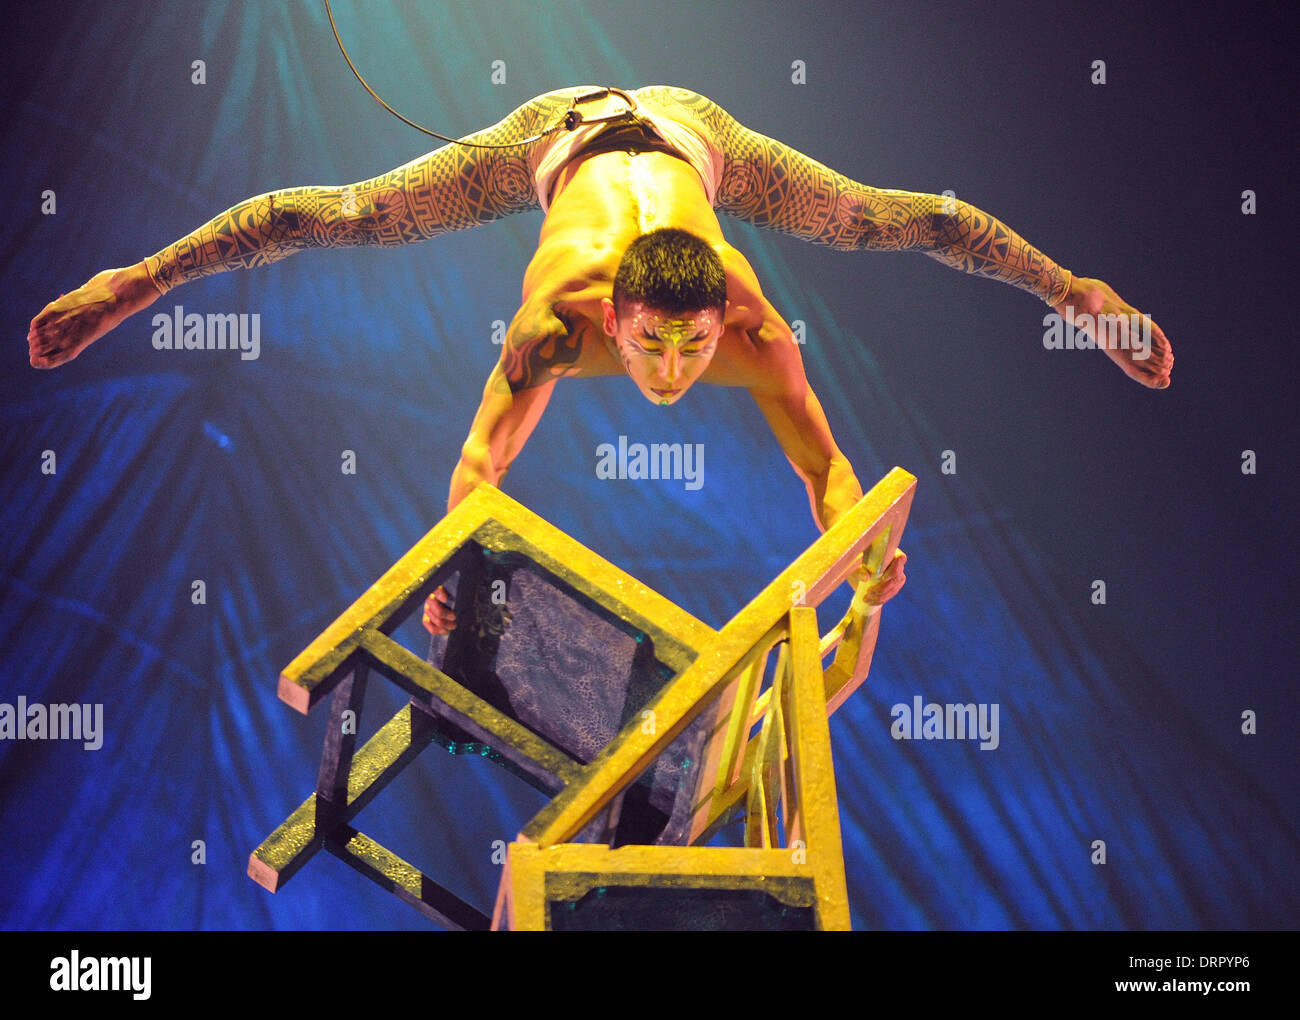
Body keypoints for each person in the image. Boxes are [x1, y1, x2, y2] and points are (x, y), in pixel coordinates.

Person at [25, 85, 1173, 635]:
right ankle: (137, 278)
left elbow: (826, 474)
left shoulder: (753, 329)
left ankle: (1077, 290)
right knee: (351, 213)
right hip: (553, 135)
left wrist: (854, 570)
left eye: (690, 347)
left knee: (883, 217)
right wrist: (457, 570)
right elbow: (478, 470)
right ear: (610, 323)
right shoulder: (552, 324)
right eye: (653, 347)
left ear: (719, 321)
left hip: (693, 132)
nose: (673, 374)